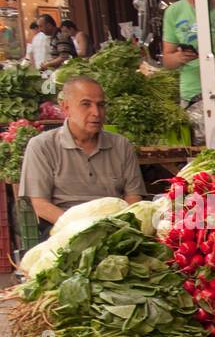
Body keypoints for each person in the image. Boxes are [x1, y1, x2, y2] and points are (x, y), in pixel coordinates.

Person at [19, 76, 146, 225]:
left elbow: (133, 197)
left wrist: (119, 227)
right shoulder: (42, 146)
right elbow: (40, 205)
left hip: (115, 228)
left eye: (100, 105)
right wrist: (81, 228)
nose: (96, 113)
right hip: (63, 228)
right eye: (86, 104)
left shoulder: (121, 145)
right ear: (66, 108)